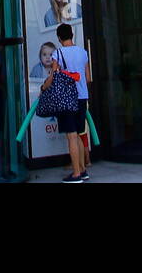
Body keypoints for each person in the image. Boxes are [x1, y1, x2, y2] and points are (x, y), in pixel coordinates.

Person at [42, 23, 90, 183]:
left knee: (71, 136)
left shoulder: (58, 53)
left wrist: (43, 87)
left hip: (67, 99)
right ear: (72, 35)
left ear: (59, 38)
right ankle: (83, 170)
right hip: (82, 97)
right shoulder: (83, 53)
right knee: (78, 134)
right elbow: (88, 77)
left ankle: (76, 174)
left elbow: (53, 77)